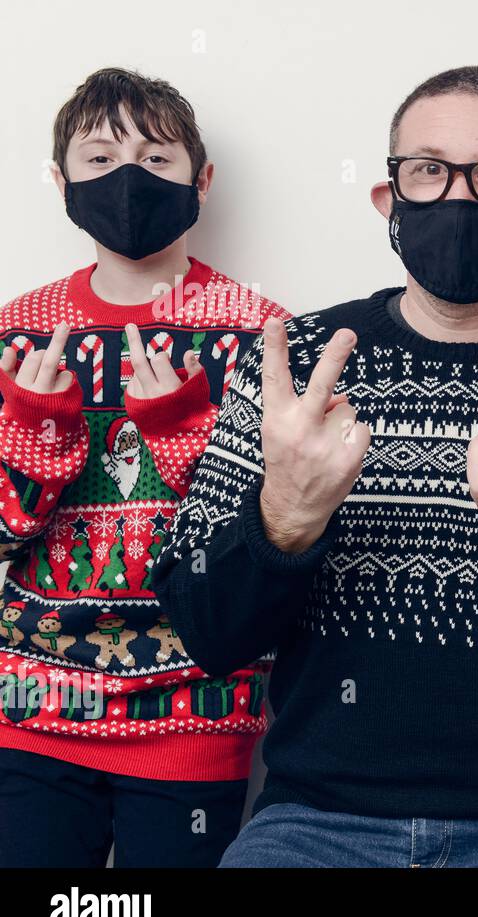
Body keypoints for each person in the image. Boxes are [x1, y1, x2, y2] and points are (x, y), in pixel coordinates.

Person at [152, 65, 478, 868]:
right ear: (388, 201)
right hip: (315, 824)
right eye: (428, 171)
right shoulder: (294, 364)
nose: (459, 198)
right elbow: (206, 631)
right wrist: (284, 520)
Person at [0, 67, 291, 867]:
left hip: (196, 712)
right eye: (98, 159)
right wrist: (35, 431)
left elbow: (273, 536)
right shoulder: (17, 329)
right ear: (60, 182)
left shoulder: (261, 334)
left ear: (202, 181)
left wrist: (182, 432)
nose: (127, 178)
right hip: (33, 710)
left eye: (157, 160)